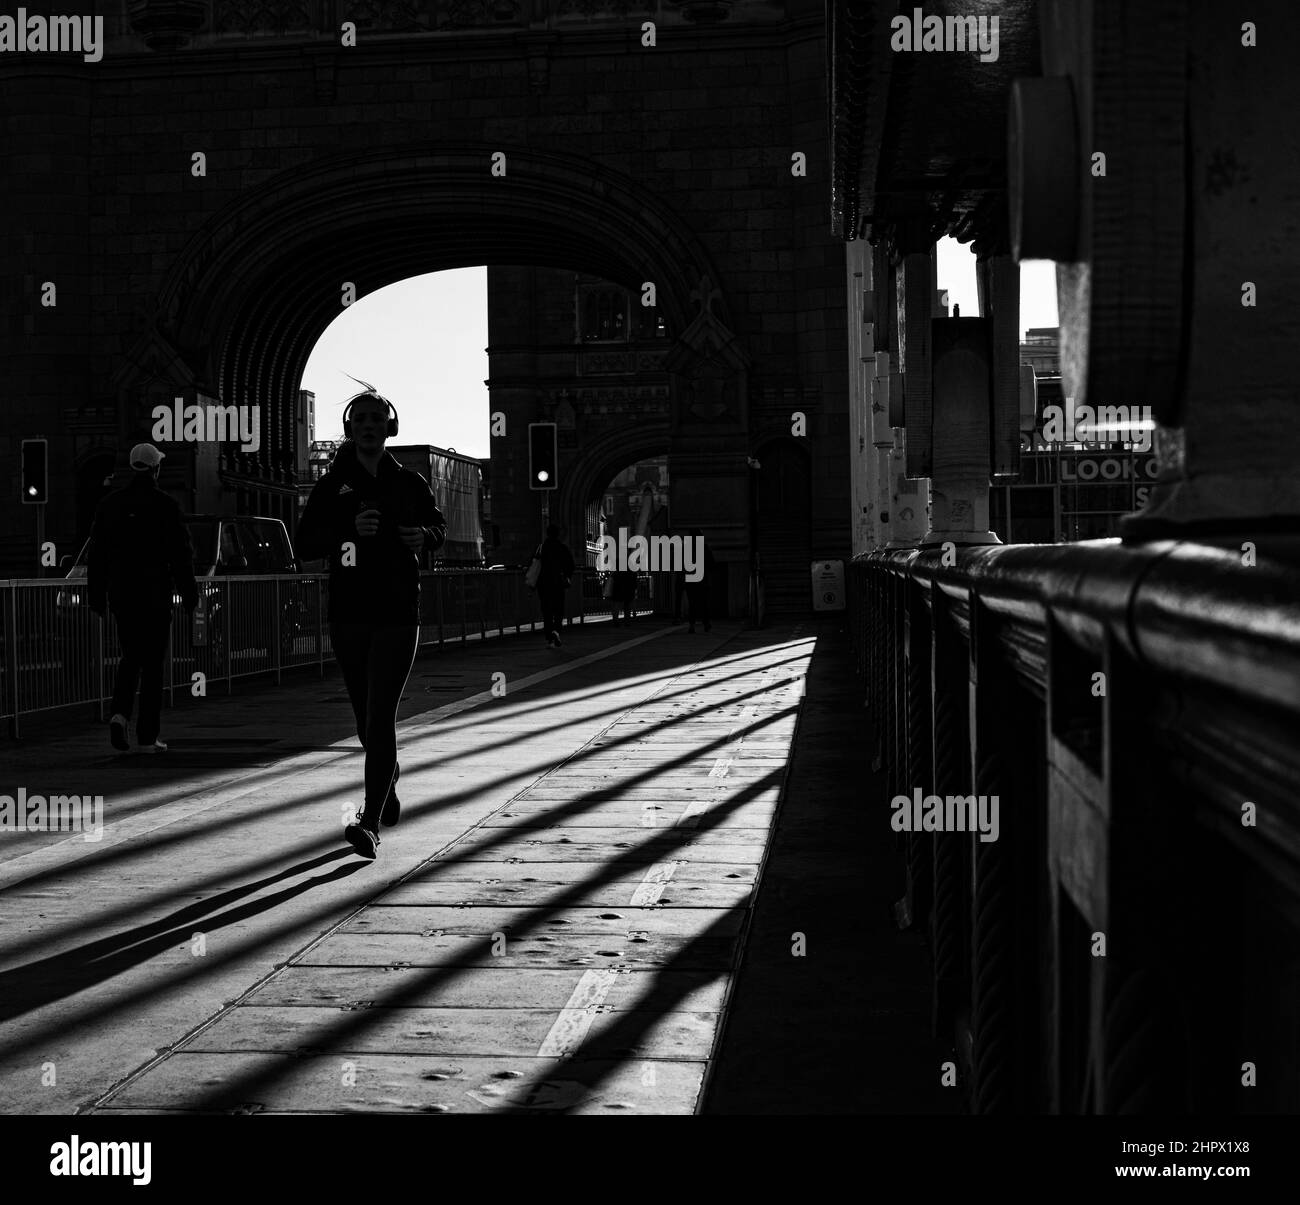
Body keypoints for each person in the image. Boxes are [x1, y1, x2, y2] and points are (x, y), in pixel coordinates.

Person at [295, 390, 447, 860]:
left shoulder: (411, 483)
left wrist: (423, 535)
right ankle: (389, 779)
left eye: (376, 419)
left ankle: (369, 820)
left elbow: (438, 528)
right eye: (360, 419)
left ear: (390, 427)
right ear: (349, 427)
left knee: (381, 715)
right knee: (365, 720)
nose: (368, 426)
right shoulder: (332, 484)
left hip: (399, 612)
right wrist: (347, 533)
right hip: (349, 613)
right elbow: (303, 544)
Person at [87, 442, 199, 754]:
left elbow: (97, 555)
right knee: (152, 666)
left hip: (122, 593)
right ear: (156, 468)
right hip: (155, 594)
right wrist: (189, 594)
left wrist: (96, 596)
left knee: (130, 655)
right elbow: (181, 555)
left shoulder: (110, 505)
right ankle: (147, 736)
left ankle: (119, 714)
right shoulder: (165, 505)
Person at [534, 523, 575, 648]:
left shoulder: (541, 548)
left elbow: (533, 564)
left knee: (547, 611)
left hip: (544, 584)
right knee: (558, 610)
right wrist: (566, 575)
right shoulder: (562, 548)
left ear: (547, 534)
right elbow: (570, 565)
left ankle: (550, 637)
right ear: (558, 534)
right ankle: (557, 630)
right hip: (558, 583)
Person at [684, 527, 715, 634]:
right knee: (704, 603)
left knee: (692, 603)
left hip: (690, 580)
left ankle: (692, 625)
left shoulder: (687, 548)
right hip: (702, 579)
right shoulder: (704, 547)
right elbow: (712, 564)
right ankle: (706, 624)